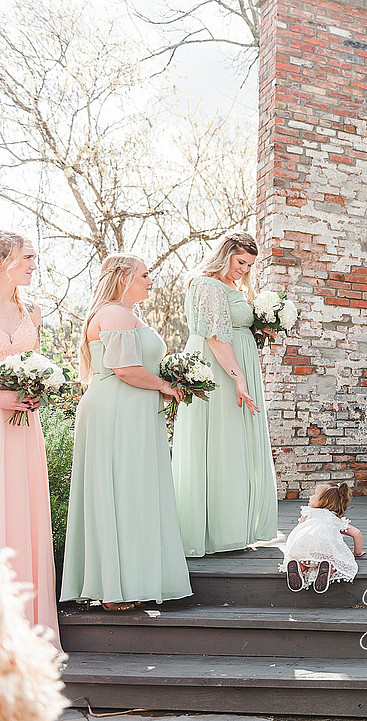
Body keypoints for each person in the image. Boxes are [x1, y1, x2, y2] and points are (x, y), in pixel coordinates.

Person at [60, 254, 192, 610]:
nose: (151, 281)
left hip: (131, 411)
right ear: (123, 278)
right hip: (116, 411)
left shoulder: (128, 314)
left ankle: (132, 578)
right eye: (145, 275)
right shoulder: (115, 314)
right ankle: (113, 587)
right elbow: (125, 369)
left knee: (133, 493)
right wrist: (165, 385)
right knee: (121, 492)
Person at [172, 232, 278, 557]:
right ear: (225, 254)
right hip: (220, 372)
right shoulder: (207, 284)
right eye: (240, 262)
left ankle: (234, 526)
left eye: (248, 265)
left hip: (236, 367)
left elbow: (234, 327)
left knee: (235, 444)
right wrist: (239, 379)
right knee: (220, 441)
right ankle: (212, 532)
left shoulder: (234, 287)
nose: (243, 270)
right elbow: (216, 337)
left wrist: (260, 328)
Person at [0, 231, 58, 640]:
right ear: (5, 260)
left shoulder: (32, 312)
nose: (34, 264)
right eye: (28, 257)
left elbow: (35, 362)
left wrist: (38, 386)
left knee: (24, 510)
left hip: (24, 429)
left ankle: (29, 632)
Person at [281, 482, 364, 593]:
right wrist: (357, 553)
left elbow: (298, 530)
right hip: (325, 552)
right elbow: (357, 534)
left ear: (324, 501)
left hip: (304, 551)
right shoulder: (335, 519)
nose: (311, 496)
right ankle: (327, 568)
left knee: (301, 558)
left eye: (315, 494)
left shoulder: (308, 513)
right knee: (335, 561)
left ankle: (300, 567)